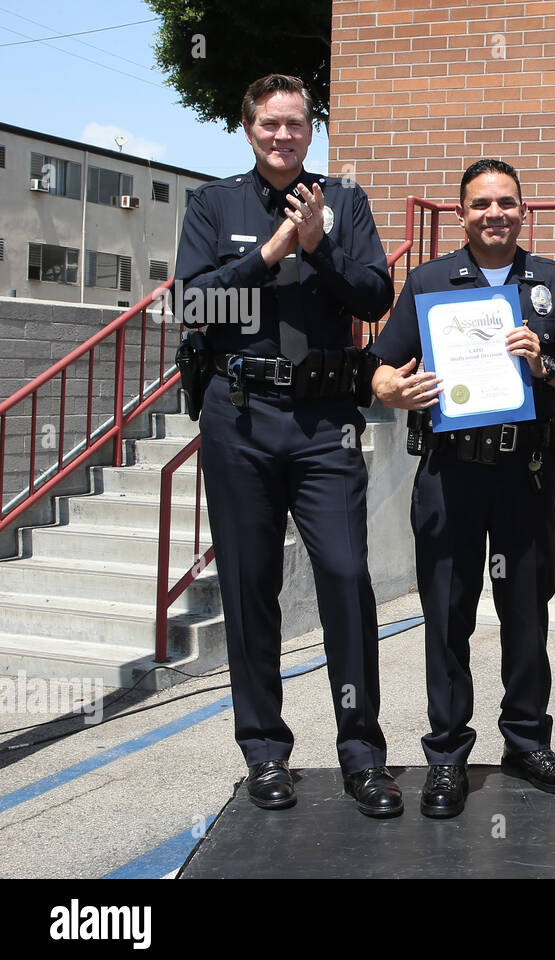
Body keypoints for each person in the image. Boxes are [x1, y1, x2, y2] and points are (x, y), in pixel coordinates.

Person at [175, 74, 401, 817]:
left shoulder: (347, 203)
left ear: (312, 131)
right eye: (270, 125)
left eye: (296, 125)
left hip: (325, 420)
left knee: (344, 576)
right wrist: (274, 251)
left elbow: (375, 296)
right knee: (249, 586)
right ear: (248, 129)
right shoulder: (215, 205)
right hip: (239, 415)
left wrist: (322, 248)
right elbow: (195, 301)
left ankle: (362, 752)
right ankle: (265, 751)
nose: (284, 137)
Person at [370, 159, 555, 819]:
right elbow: (382, 368)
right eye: (480, 204)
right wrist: (396, 389)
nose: (494, 213)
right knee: (447, 613)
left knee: (527, 608)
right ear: (463, 212)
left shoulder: (553, 282)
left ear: (522, 209)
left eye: (506, 202)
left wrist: (545, 364)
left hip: (524, 471)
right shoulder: (430, 280)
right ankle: (446, 755)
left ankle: (527, 740)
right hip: (450, 469)